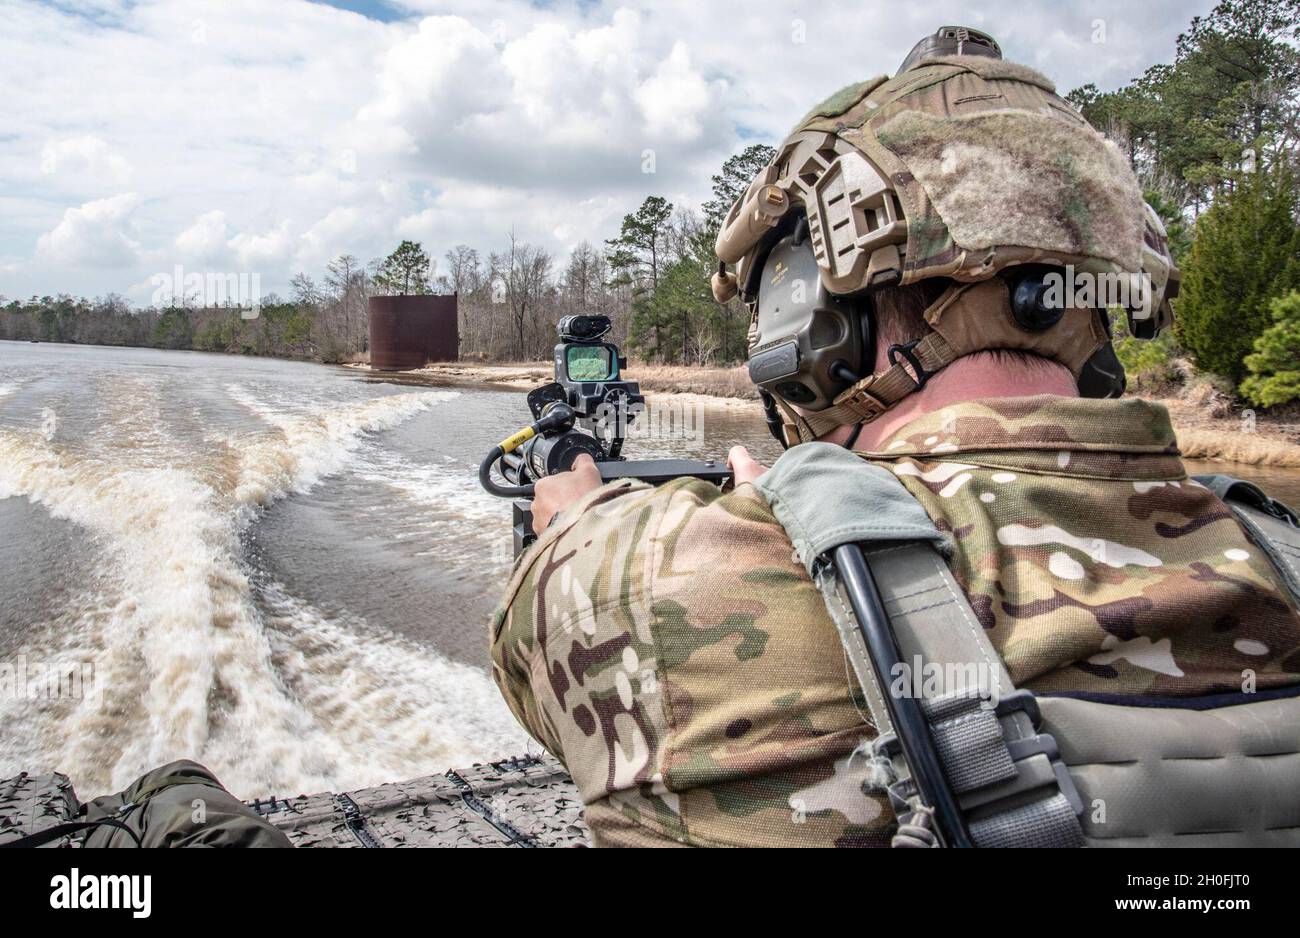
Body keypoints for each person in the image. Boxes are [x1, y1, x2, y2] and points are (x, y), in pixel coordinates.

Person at [489, 28, 1300, 848]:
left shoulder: (641, 574)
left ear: (812, 324)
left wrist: (580, 525)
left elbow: (551, 661)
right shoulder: (1276, 546)